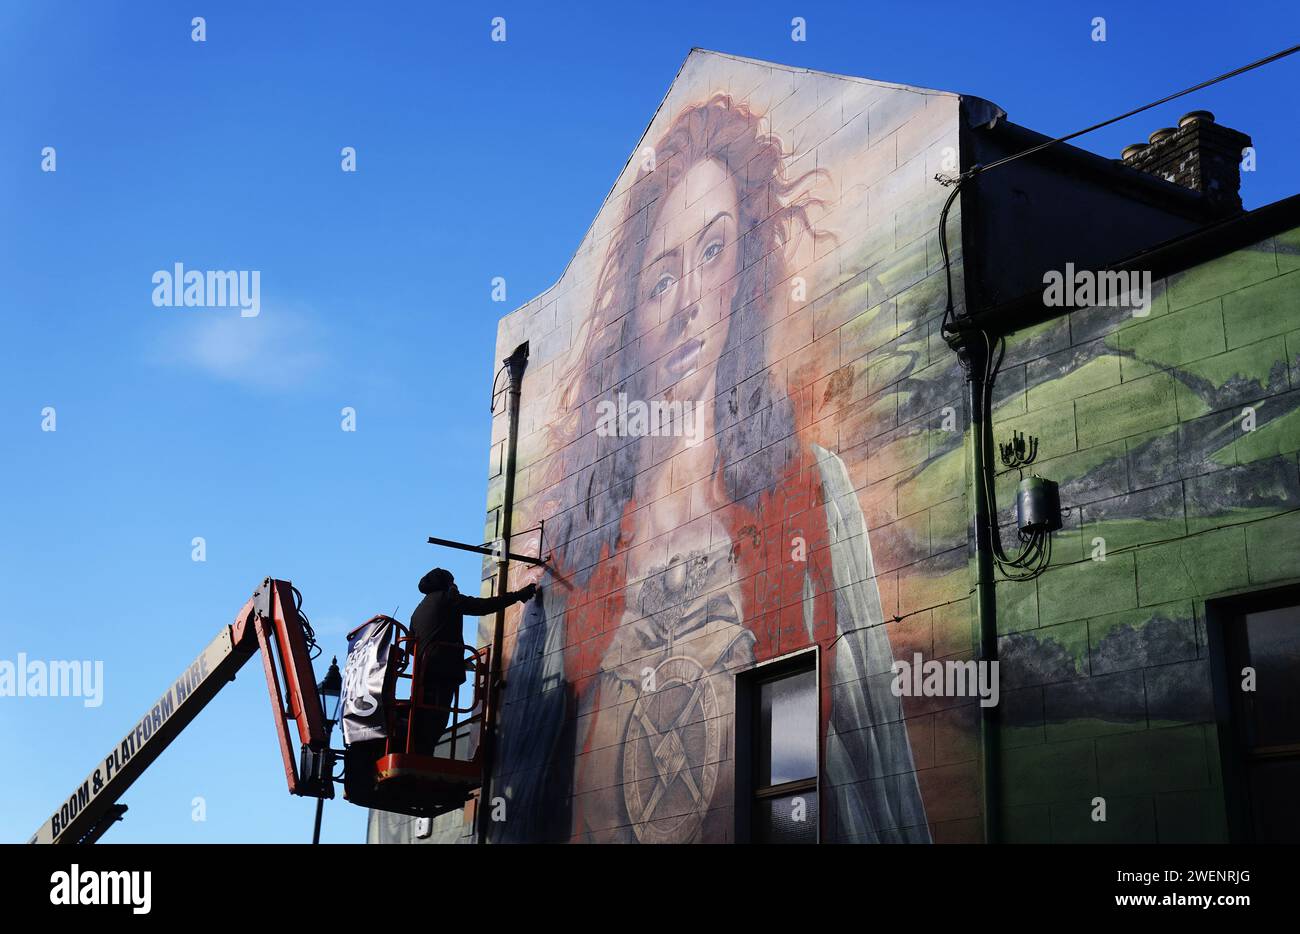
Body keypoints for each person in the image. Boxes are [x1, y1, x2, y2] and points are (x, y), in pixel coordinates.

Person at [407, 568, 536, 756]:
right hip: (443, 673)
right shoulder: (447, 597)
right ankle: (422, 756)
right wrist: (517, 595)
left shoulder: (418, 610)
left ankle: (417, 754)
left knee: (425, 720)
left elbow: (411, 646)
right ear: (446, 583)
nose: (455, 585)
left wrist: (445, 654)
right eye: (452, 582)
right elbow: (480, 606)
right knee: (437, 718)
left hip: (423, 674)